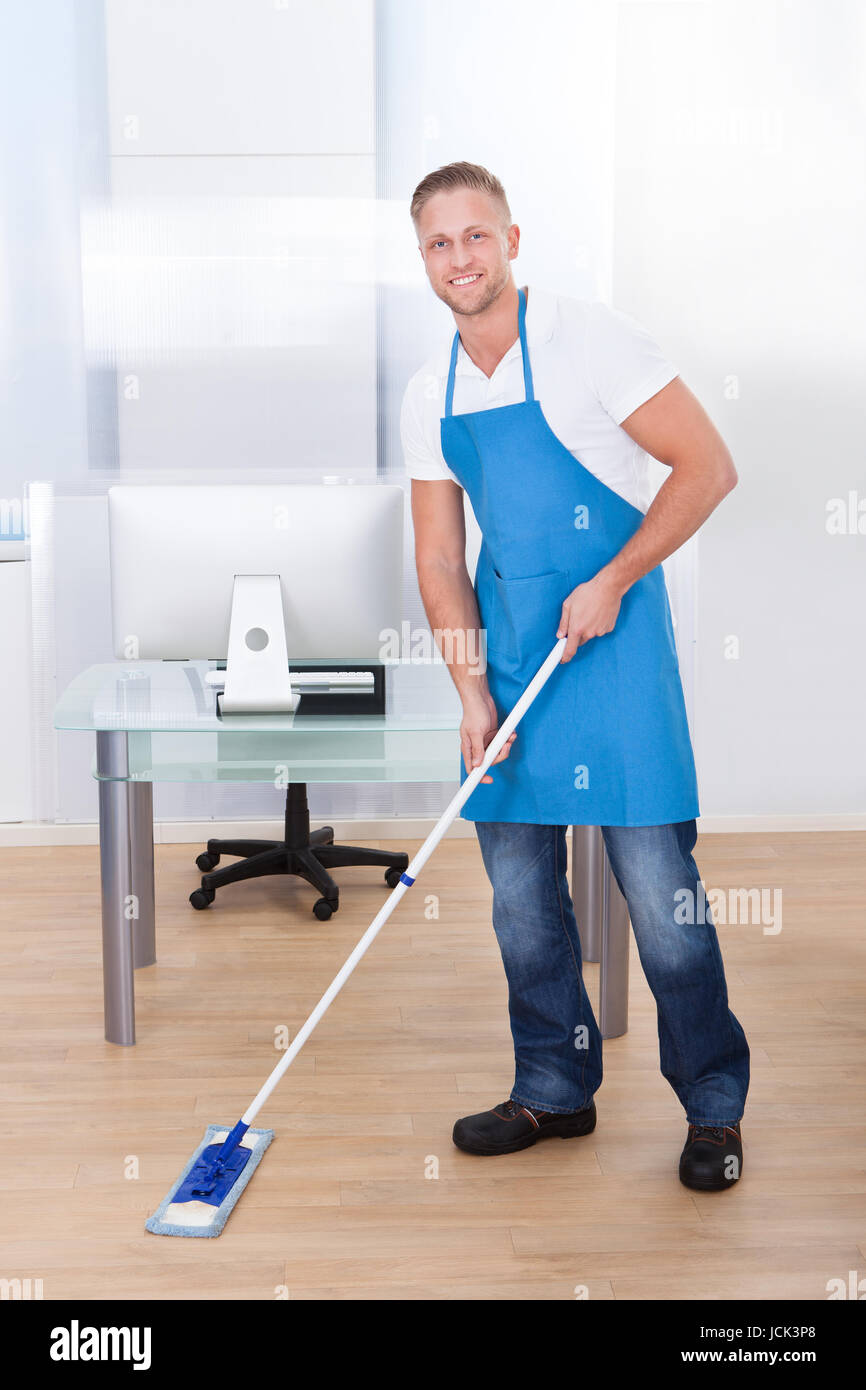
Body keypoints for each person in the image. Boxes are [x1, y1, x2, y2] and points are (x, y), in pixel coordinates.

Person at [401, 161, 749, 1191]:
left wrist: (613, 578)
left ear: (511, 239)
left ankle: (712, 1107)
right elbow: (433, 557)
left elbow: (707, 468)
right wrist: (471, 696)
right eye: (437, 244)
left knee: (657, 895)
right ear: (421, 260)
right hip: (511, 658)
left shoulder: (589, 339)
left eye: (474, 236)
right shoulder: (435, 389)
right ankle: (553, 1085)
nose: (459, 258)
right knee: (519, 900)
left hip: (613, 646)